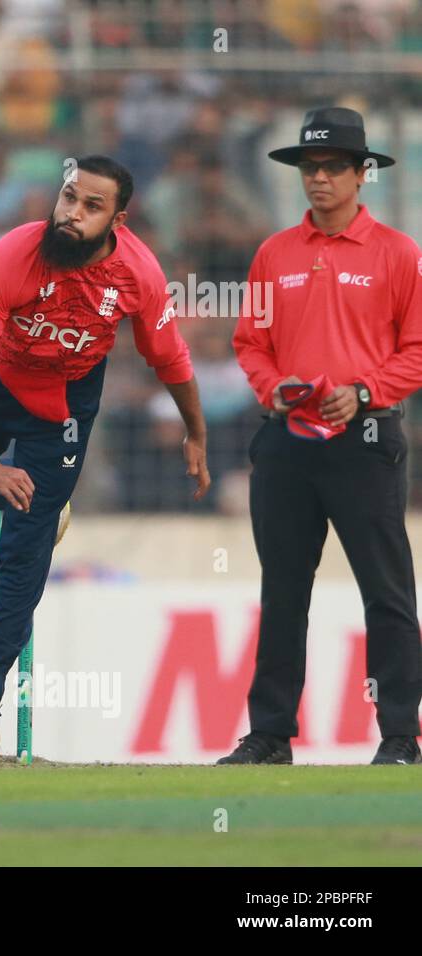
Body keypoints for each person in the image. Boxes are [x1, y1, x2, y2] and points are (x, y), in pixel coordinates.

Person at [0, 155, 210, 765]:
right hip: (0, 380)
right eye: (69, 198)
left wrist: (195, 432)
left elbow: (170, 358)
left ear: (118, 219)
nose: (72, 214)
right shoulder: (14, 253)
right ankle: (42, 505)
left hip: (65, 404)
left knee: (21, 562)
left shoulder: (138, 272)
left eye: (91, 206)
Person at [225, 107, 422, 766]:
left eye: (334, 167)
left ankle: (401, 737)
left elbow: (418, 351)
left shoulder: (398, 254)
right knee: (283, 590)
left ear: (362, 174)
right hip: (287, 441)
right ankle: (271, 735)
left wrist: (362, 391)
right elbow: (249, 343)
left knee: (387, 591)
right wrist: (273, 386)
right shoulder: (272, 253)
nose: (319, 180)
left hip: (365, 440)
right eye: (311, 168)